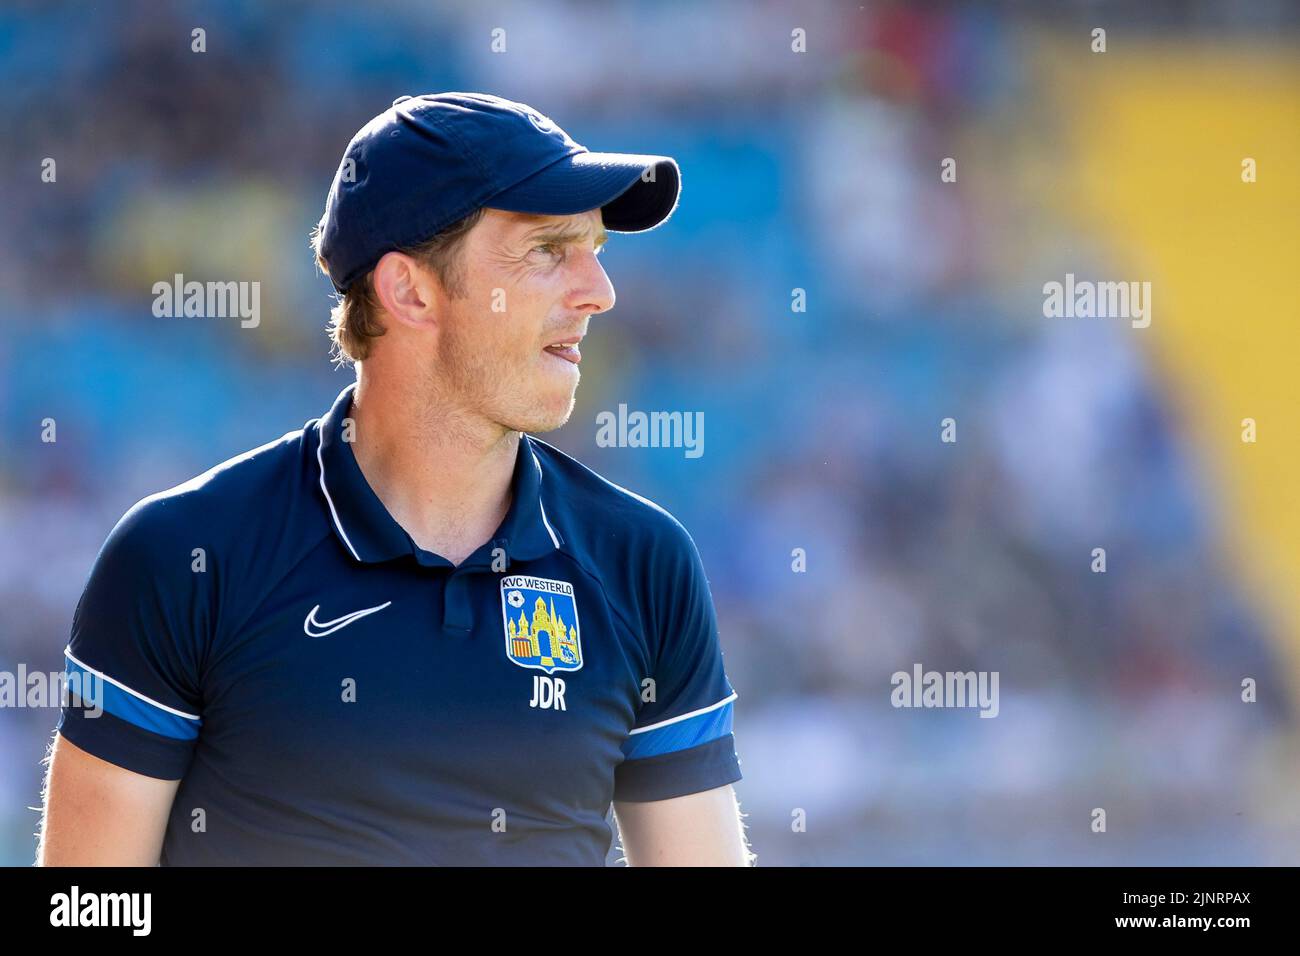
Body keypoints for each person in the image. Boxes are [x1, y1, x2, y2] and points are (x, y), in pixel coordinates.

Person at [38, 92, 751, 866]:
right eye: (548, 251)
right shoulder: (184, 556)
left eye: (594, 251)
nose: (598, 292)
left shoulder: (644, 564)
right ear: (409, 291)